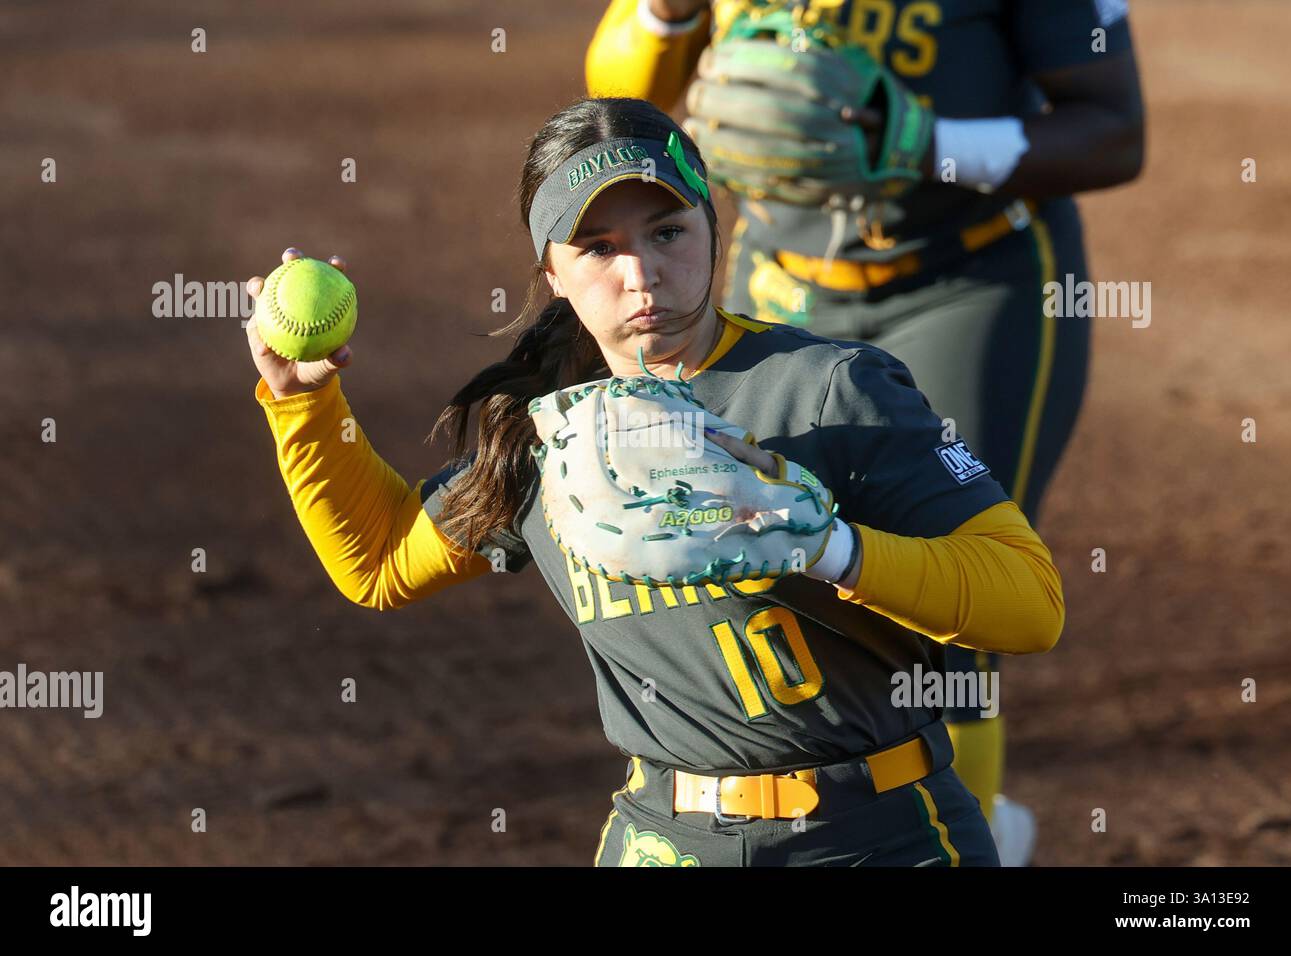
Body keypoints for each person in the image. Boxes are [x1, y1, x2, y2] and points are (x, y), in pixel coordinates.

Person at [245, 97, 1065, 867]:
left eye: (668, 231)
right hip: (666, 841)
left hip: (880, 832)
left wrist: (834, 548)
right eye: (598, 248)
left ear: (713, 226)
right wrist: (304, 402)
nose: (641, 274)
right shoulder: (543, 431)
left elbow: (1030, 604)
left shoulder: (828, 390)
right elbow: (384, 560)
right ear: (551, 273)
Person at [586, 0, 1145, 864]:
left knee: (946, 594)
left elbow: (1113, 131)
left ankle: (971, 837)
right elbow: (623, 111)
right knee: (757, 552)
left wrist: (925, 144)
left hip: (969, 283)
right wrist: (665, 16)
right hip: (783, 279)